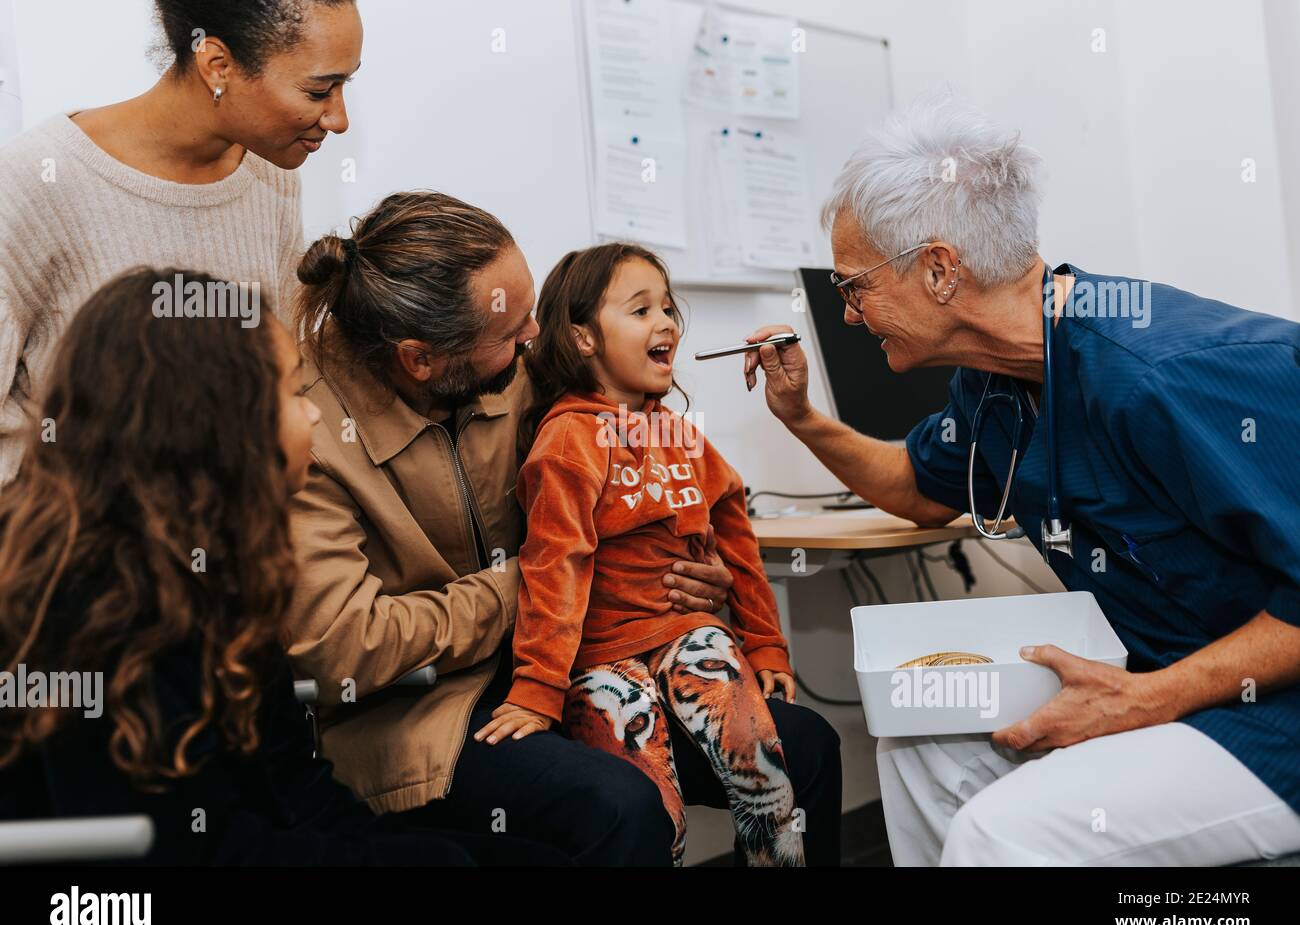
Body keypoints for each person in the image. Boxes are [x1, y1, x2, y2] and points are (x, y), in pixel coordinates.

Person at [743, 95, 1300, 866]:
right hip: (1179, 685)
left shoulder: (1171, 374)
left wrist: (1147, 700)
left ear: (941, 269)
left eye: (853, 286)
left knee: (1002, 831)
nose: (846, 314)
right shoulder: (993, 382)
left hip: (1273, 716)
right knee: (920, 739)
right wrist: (801, 415)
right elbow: (917, 486)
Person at [286, 191, 843, 865]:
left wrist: (691, 562)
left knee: (805, 743)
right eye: (511, 331)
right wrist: (536, 583)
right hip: (422, 716)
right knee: (619, 807)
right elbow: (346, 644)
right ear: (421, 359)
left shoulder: (518, 373)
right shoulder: (310, 434)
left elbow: (628, 448)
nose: (532, 340)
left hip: (580, 656)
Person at [0, 268, 566, 865]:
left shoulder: (221, 572)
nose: (317, 417)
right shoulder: (94, 609)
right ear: (216, 423)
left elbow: (297, 791)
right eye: (292, 394)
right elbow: (176, 854)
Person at [475, 243, 805, 867]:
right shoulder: (567, 440)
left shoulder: (681, 434)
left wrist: (765, 644)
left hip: (687, 631)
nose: (667, 323)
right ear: (582, 339)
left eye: (669, 308)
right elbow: (554, 565)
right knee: (652, 815)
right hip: (599, 652)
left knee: (764, 773)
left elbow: (737, 538)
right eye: (640, 310)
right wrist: (538, 688)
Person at [0, 0, 363, 488]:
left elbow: (275, 391)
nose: (338, 118)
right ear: (218, 65)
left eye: (346, 85)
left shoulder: (270, 178)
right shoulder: (32, 183)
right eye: (319, 90)